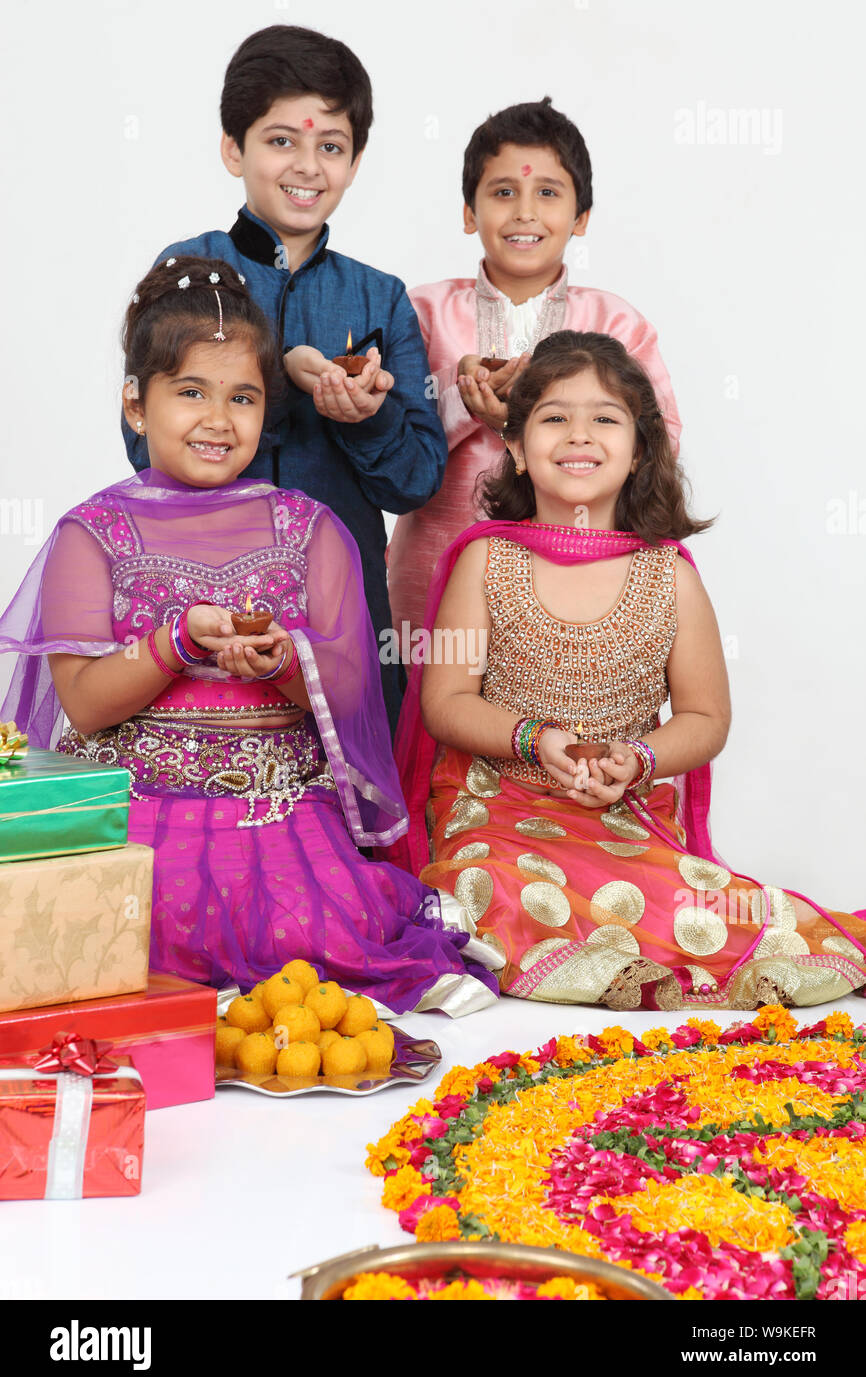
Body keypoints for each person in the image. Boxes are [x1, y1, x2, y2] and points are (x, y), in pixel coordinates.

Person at [0, 257, 497, 1018]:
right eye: (190, 392)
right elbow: (86, 706)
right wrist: (179, 643)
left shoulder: (308, 530)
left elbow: (355, 697)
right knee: (119, 939)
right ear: (136, 404)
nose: (218, 418)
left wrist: (283, 662)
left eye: (244, 397)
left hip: (276, 816)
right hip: (138, 817)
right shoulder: (91, 533)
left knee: (313, 941)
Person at [393, 330, 866, 1010]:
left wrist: (637, 760)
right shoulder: (487, 561)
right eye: (554, 417)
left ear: (639, 450)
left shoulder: (666, 573)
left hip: (623, 812)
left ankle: (643, 955)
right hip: (499, 806)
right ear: (518, 449)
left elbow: (705, 718)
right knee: (476, 887)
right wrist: (536, 740)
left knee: (707, 904)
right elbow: (447, 702)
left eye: (605, 419)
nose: (579, 434)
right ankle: (603, 969)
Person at [123, 25, 448, 731]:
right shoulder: (187, 269)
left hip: (343, 605)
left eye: (330, 145)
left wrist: (365, 416)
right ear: (232, 147)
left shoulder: (380, 298)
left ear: (356, 161)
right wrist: (280, 376)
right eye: (281, 141)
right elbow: (143, 444)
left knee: (355, 804)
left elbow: (417, 480)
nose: (307, 165)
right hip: (196, 592)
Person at [387, 97, 681, 641]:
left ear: (582, 216)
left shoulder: (615, 322)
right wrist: (460, 401)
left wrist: (549, 414)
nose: (524, 211)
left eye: (547, 192)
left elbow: (662, 439)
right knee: (436, 714)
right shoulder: (420, 313)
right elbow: (390, 447)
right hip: (432, 580)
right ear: (470, 212)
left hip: (583, 580)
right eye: (503, 192)